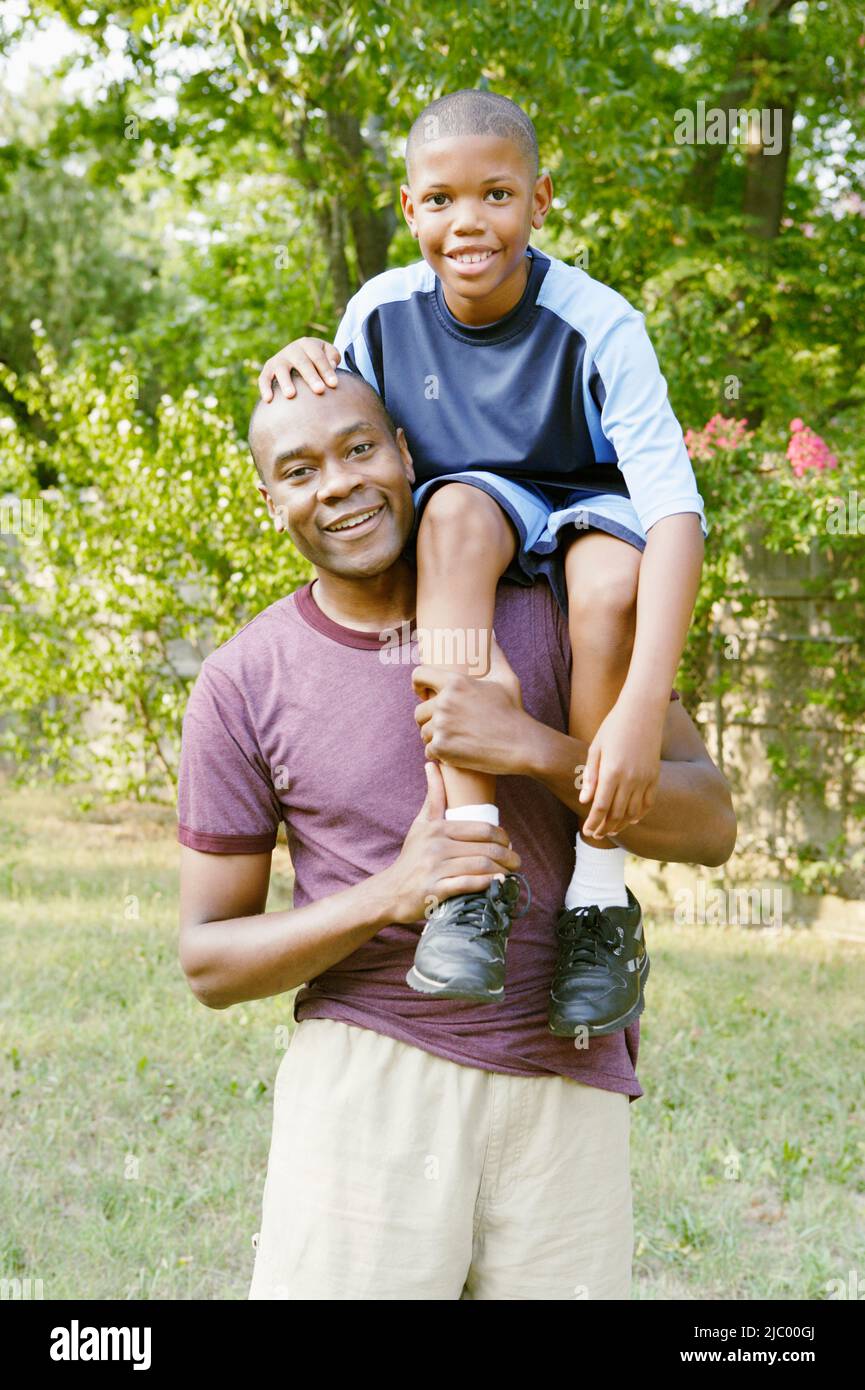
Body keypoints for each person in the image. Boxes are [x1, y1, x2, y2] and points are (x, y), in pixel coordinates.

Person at [177, 369, 737, 1299]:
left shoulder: (558, 613)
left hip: (567, 1084)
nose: (340, 485)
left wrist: (540, 752)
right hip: (368, 1091)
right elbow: (209, 960)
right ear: (268, 498)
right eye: (300, 468)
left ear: (406, 450)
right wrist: (393, 893)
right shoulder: (245, 681)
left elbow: (712, 823)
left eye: (360, 449)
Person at [256, 88, 709, 1036]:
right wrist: (305, 354)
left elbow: (672, 511)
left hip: (594, 502)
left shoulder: (600, 323)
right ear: (411, 205)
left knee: (607, 587)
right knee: (453, 509)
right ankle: (471, 870)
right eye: (440, 200)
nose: (469, 222)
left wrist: (634, 712)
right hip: (478, 509)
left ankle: (597, 897)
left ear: (540, 201)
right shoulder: (380, 314)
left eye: (496, 195)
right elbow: (343, 439)